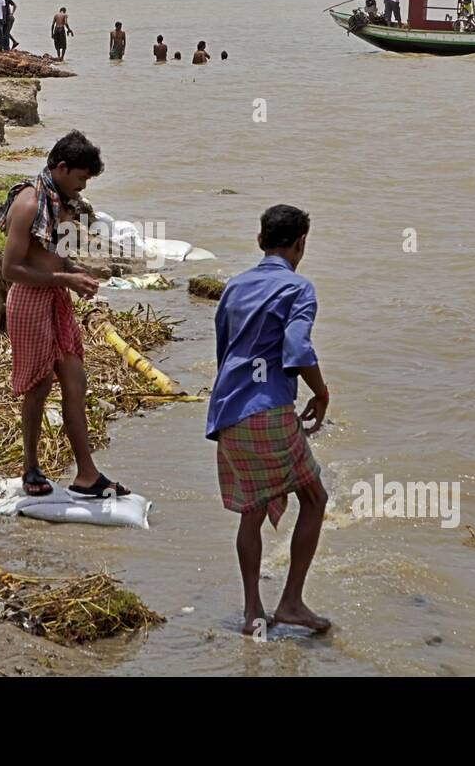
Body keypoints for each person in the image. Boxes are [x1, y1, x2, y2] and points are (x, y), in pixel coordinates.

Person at [206, 204, 331, 636]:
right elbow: (296, 349)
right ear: (301, 244)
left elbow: (225, 353)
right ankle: (292, 602)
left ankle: (252, 611)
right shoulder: (299, 288)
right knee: (314, 500)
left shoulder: (234, 287)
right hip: (267, 409)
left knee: (251, 512)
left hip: (228, 411)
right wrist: (321, 390)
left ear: (260, 241)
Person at [0, 131, 129, 499]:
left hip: (54, 297)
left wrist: (74, 270)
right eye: (81, 178)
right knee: (38, 388)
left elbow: (49, 254)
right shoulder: (29, 203)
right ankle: (30, 467)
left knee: (75, 383)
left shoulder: (56, 202)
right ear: (62, 167)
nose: (83, 186)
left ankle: (87, 473)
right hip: (28, 301)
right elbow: (11, 269)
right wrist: (65, 277)